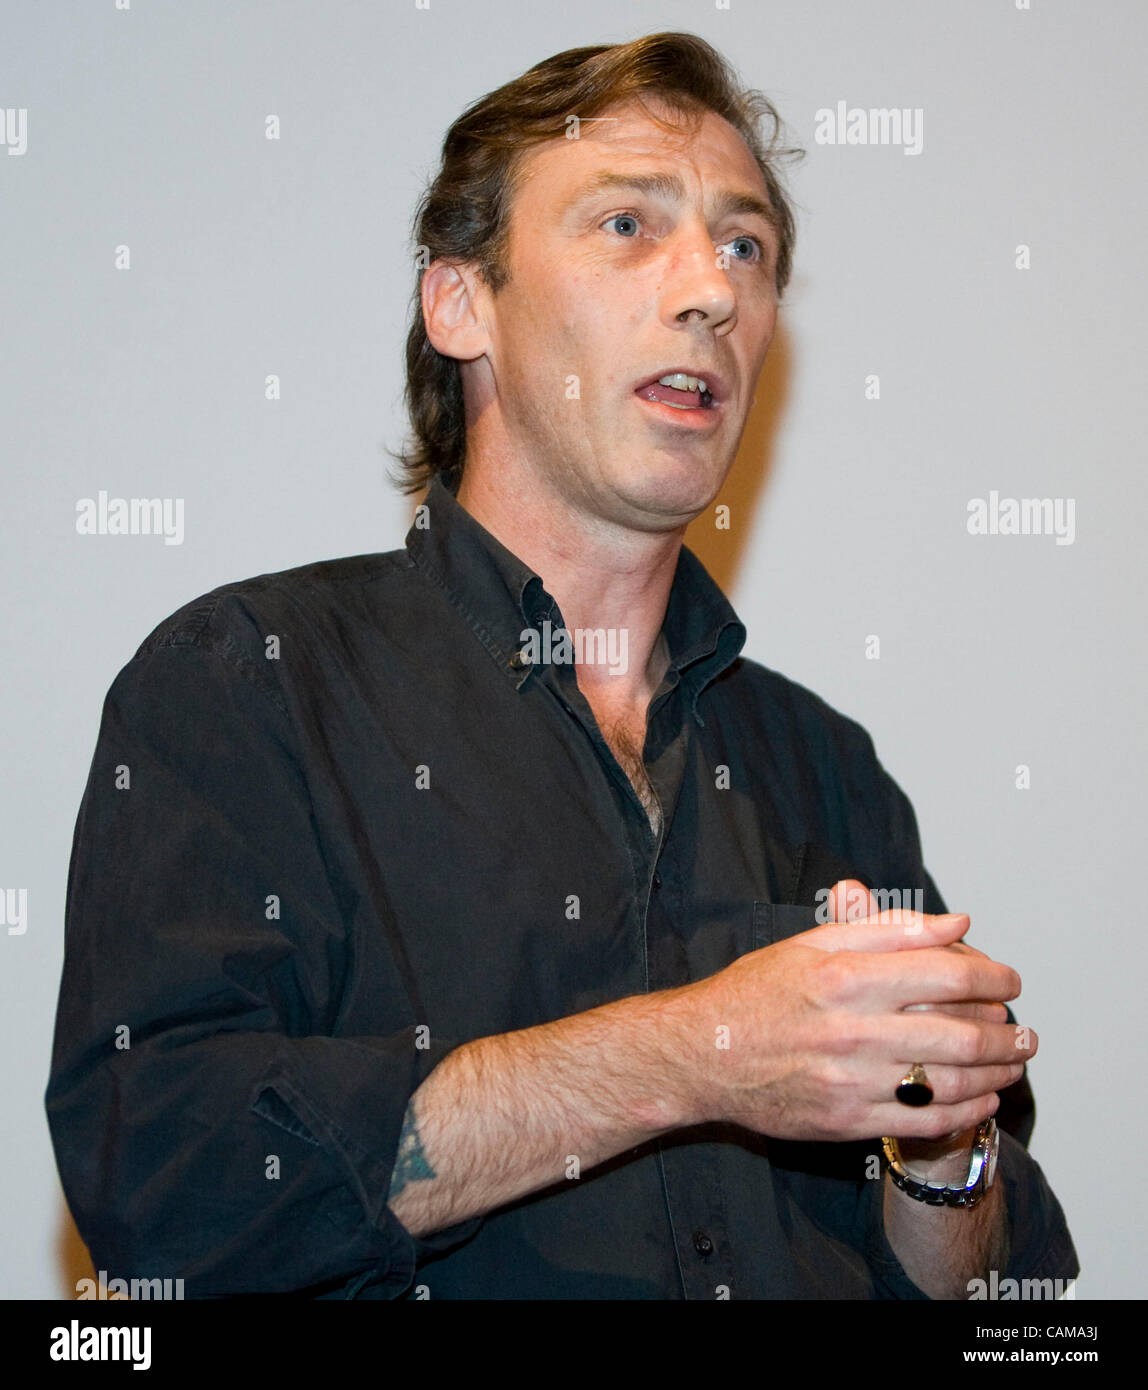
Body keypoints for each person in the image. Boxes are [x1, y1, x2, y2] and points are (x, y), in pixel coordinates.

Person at [46, 32, 1077, 1299]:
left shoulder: (827, 768)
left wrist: (941, 1147)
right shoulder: (247, 685)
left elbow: (990, 1299)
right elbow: (168, 1185)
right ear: (459, 301)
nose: (709, 287)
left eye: (742, 246)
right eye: (628, 224)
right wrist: (696, 1052)